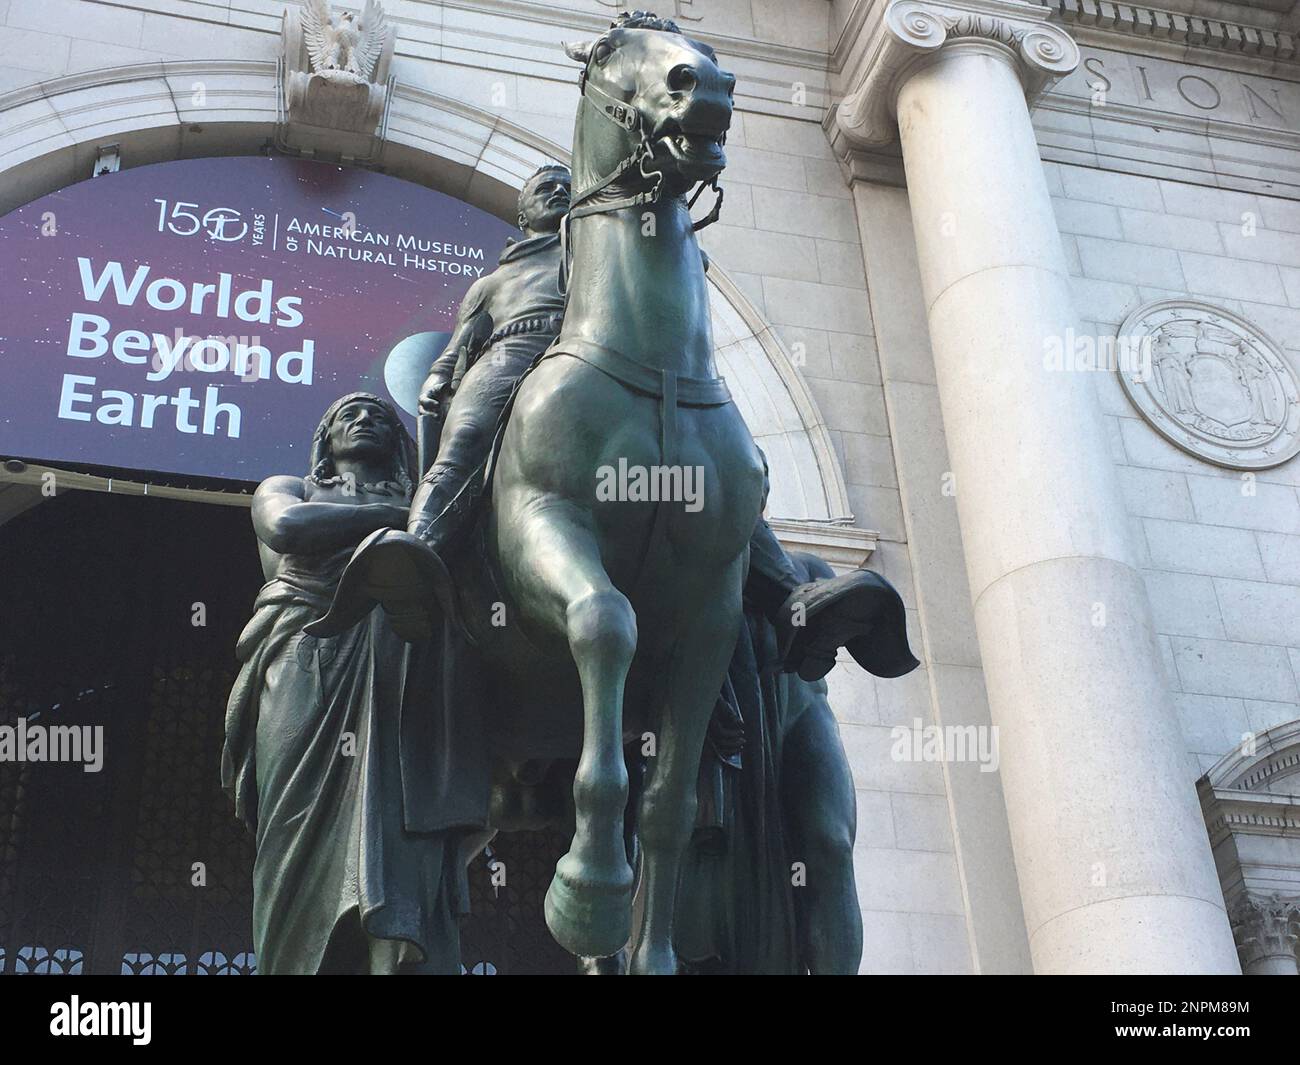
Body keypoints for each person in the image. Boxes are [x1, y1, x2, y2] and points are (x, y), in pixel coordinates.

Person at [222, 393, 482, 974]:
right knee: (290, 825)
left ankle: (394, 946)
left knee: (399, 805)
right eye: (349, 415)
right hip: (304, 653)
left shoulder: (426, 505)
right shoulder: (289, 486)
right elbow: (287, 527)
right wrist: (401, 518)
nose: (365, 421)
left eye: (380, 418)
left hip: (402, 658)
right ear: (325, 438)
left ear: (400, 442)